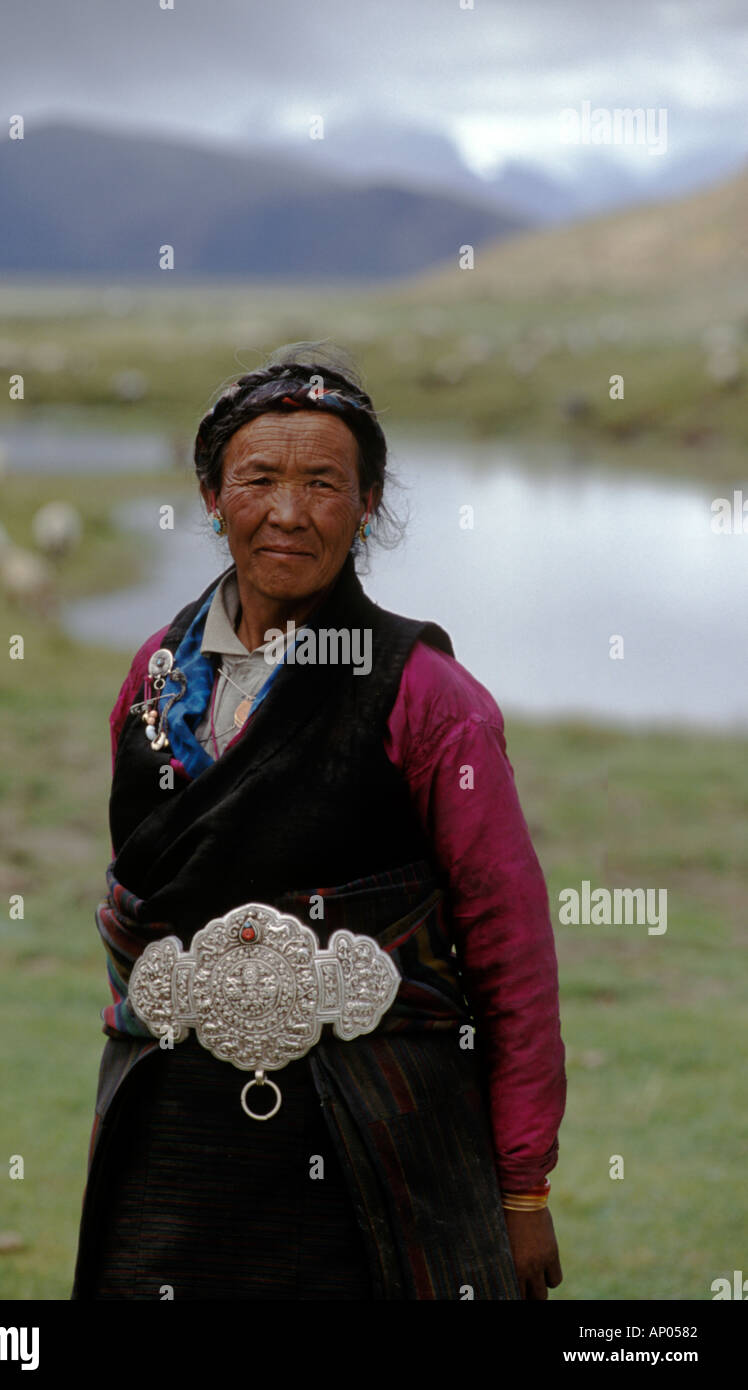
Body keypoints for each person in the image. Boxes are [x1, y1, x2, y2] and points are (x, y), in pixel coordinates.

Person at [71, 344, 566, 1301]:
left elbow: (510, 950)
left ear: (369, 503)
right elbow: (143, 896)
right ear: (214, 497)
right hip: (176, 1125)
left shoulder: (428, 696)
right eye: (257, 478)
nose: (289, 512)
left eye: (323, 482)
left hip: (373, 1132)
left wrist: (522, 1188)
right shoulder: (155, 677)